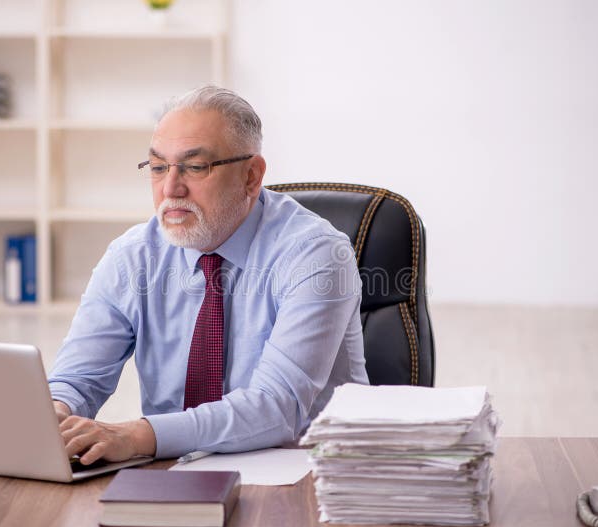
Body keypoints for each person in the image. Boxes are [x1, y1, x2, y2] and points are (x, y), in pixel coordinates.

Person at [48, 85, 368, 464]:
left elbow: (278, 406)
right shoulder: (131, 256)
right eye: (158, 167)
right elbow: (77, 378)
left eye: (195, 167)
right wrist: (56, 411)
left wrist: (138, 434)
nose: (170, 188)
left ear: (251, 176)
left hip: (305, 474)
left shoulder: (316, 254)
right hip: (174, 467)